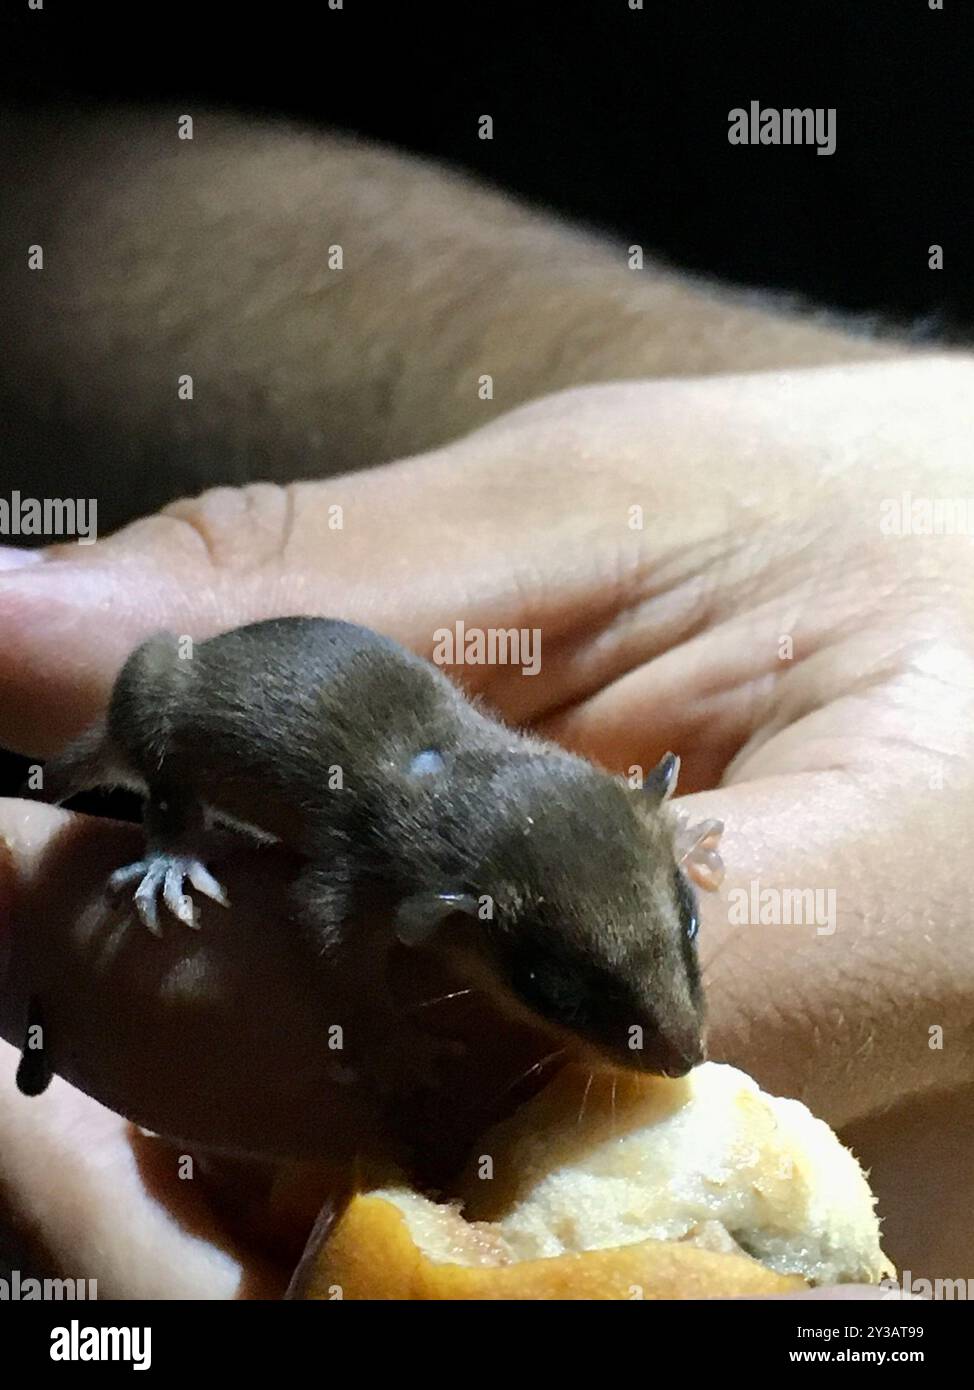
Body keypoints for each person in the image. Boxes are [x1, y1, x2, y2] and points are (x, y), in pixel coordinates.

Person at [0, 111, 970, 1297]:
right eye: (610, 1014)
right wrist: (379, 1030)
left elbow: (617, 817)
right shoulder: (401, 878)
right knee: (147, 702)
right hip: (198, 714)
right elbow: (330, 923)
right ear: (452, 918)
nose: (674, 1050)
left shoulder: (564, 823)